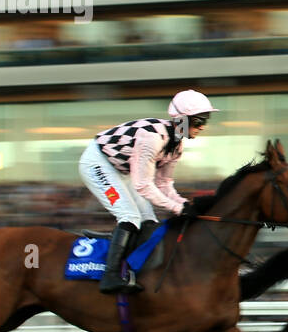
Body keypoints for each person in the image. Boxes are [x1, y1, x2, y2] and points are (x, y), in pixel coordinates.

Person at [78, 89, 219, 294]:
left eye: (206, 121)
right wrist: (177, 209)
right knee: (129, 216)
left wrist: (184, 204)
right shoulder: (152, 139)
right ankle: (109, 276)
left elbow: (164, 184)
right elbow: (143, 185)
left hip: (122, 170)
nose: (203, 127)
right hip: (97, 164)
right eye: (198, 121)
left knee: (149, 222)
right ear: (181, 119)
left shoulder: (176, 146)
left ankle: (131, 267)